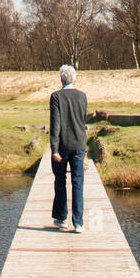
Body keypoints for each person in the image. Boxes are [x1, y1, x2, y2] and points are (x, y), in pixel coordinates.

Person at [49, 64, 88, 233]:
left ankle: (61, 218)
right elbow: (83, 121)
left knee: (60, 181)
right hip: (79, 144)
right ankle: (78, 223)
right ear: (75, 78)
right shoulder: (83, 96)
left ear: (61, 79)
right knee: (78, 183)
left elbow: (55, 124)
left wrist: (54, 149)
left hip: (63, 145)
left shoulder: (56, 97)